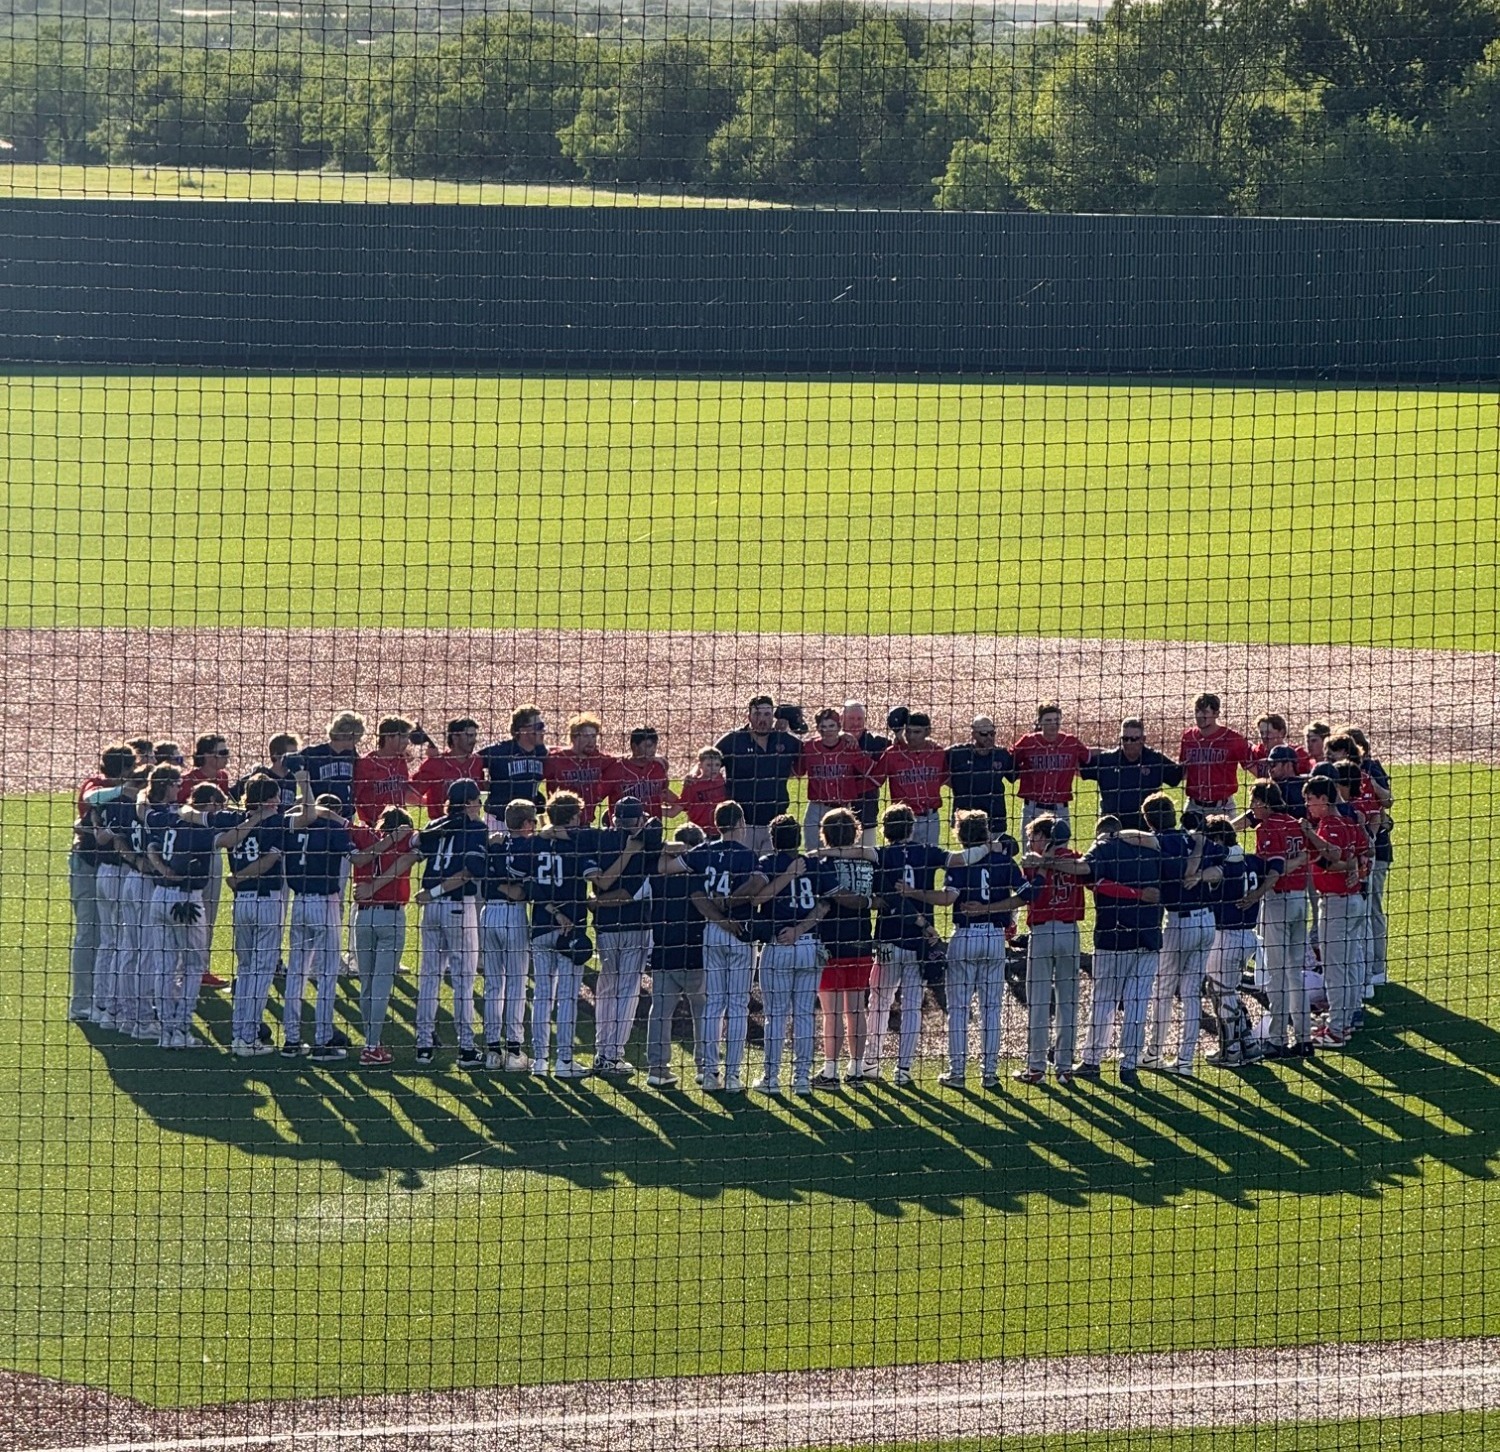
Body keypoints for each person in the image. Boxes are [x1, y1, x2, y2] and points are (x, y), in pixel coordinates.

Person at [1049, 815, 1164, 1086]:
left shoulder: (1103, 846)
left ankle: (1091, 1060)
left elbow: (1081, 868)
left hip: (1114, 938)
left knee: (1104, 1001)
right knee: (1138, 1002)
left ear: (1102, 833)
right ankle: (1129, 1065)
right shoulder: (1152, 849)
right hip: (1149, 937)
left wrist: (1046, 860)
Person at [661, 800, 766, 1092]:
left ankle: (709, 1074)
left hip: (712, 932)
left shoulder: (702, 852)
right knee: (737, 1005)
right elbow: (757, 886)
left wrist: (682, 849)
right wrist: (731, 906)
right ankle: (732, 1076)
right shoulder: (748, 855)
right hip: (741, 933)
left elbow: (664, 866)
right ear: (741, 824)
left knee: (714, 1003)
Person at [940, 811, 1028, 1089]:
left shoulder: (960, 861)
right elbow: (1028, 894)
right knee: (992, 1010)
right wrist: (993, 909)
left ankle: (957, 1073)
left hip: (965, 937)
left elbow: (948, 898)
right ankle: (989, 1074)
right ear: (987, 832)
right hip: (994, 939)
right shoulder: (1005, 860)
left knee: (959, 1008)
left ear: (961, 833)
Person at [405, 779, 489, 1066]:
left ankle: (424, 1046)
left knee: (429, 977)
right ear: (468, 803)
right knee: (464, 981)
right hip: (456, 908)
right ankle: (466, 1049)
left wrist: (432, 830)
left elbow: (414, 843)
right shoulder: (476, 827)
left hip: (431, 912)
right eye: (477, 800)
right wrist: (435, 891)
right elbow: (469, 872)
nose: (480, 805)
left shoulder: (435, 825)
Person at [867, 803, 951, 1085]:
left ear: (885, 829)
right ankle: (903, 1070)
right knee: (912, 1006)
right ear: (912, 827)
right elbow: (959, 859)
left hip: (888, 939)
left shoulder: (880, 855)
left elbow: (884, 897)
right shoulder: (928, 852)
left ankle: (870, 1063)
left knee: (878, 1003)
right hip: (920, 943)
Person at [146, 778, 232, 1050]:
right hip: (186, 900)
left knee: (165, 967)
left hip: (160, 897)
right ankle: (181, 1028)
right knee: (194, 965)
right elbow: (232, 837)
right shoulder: (202, 830)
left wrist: (163, 869)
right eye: (218, 806)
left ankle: (166, 1032)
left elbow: (151, 848)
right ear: (208, 805)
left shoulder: (169, 821)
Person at [1189, 817, 1283, 1067]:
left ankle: (1229, 1051)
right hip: (1248, 937)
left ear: (1218, 839)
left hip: (1225, 937)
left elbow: (1207, 876)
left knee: (1222, 993)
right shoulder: (1252, 861)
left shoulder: (1224, 867)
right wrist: (1257, 894)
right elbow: (1278, 865)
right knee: (1225, 990)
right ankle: (1249, 1045)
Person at [752, 814, 835, 1095]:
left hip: (779, 946)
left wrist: (785, 876)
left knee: (775, 1016)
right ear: (798, 837)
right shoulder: (814, 864)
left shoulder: (767, 864)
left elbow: (757, 899)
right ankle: (801, 1080)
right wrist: (802, 929)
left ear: (773, 839)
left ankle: (771, 1079)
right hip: (810, 946)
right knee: (804, 1016)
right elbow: (825, 904)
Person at [281, 772, 355, 1060]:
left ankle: (291, 1040)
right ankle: (323, 1040)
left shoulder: (291, 827)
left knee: (296, 972)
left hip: (298, 905)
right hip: (324, 905)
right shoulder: (333, 829)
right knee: (327, 974)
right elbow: (357, 857)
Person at [1235, 782, 1313, 1057]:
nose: (1252, 808)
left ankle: (1278, 1039)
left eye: (1254, 802)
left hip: (1278, 902)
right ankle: (1304, 1039)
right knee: (1295, 974)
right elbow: (1303, 858)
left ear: (1265, 803)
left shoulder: (1267, 827)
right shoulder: (1294, 823)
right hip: (1300, 902)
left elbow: (1275, 871)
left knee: (1277, 975)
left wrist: (1255, 895)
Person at [1142, 794, 1218, 1076]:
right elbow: (1221, 865)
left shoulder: (1157, 843)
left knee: (1162, 990)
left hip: (1179, 923)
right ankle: (1185, 1061)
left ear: (1148, 821)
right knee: (1191, 993)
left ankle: (1153, 1053)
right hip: (1208, 922)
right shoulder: (1193, 838)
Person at [528, 791, 602, 1077]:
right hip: (571, 929)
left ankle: (539, 1062)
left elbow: (531, 887)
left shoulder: (536, 844)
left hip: (540, 927)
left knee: (543, 997)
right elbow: (592, 878)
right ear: (572, 818)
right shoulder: (578, 846)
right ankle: (565, 1062)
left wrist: (551, 911)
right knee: (568, 998)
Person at [459, 799, 537, 1073]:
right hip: (513, 916)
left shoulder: (492, 842)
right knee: (516, 984)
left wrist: (493, 881)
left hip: (487, 914)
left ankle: (493, 1050)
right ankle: (514, 1050)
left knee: (493, 984)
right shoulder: (530, 846)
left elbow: (472, 862)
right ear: (527, 824)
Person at [216, 774, 289, 1057]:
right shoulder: (276, 822)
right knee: (261, 970)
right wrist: (241, 876)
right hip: (266, 902)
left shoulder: (235, 821)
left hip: (241, 904)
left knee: (245, 970)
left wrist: (236, 878)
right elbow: (269, 860)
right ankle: (248, 1038)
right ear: (271, 799)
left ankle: (240, 1034)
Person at [588, 797, 661, 1076]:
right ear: (638, 821)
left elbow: (600, 886)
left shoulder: (598, 840)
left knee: (606, 990)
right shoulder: (644, 845)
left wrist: (595, 903)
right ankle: (613, 1056)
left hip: (605, 929)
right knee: (627, 991)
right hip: (634, 928)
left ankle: (601, 1052)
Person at [809, 807, 879, 1087]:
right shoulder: (869, 860)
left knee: (832, 1012)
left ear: (825, 834)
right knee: (857, 1009)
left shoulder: (823, 863)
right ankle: (857, 1068)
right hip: (862, 940)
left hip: (831, 944)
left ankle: (829, 1071)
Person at [347, 806, 419, 1066]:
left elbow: (330, 815)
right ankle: (370, 1046)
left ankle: (371, 1043)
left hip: (363, 916)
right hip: (391, 916)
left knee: (366, 985)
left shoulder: (362, 835)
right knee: (381, 986)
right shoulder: (407, 839)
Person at [69, 743, 136, 1023]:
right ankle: (81, 1003)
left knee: (110, 936)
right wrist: (124, 790)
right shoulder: (95, 784)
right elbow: (92, 798)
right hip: (86, 866)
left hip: (105, 868)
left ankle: (103, 1000)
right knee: (89, 934)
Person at [1016, 815, 1085, 1085]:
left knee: (1039, 1002)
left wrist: (1044, 860)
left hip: (1043, 934)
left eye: (1034, 837)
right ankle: (1065, 1069)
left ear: (1045, 837)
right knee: (1068, 1003)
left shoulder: (1033, 862)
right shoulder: (1075, 858)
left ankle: (1036, 1068)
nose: (1031, 841)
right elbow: (1083, 870)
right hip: (1069, 933)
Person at [1300, 777, 1365, 1048]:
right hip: (1353, 901)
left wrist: (1309, 832)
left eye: (1311, 800)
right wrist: (1355, 868)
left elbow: (1331, 857)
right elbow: (1366, 850)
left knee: (1336, 970)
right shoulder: (1350, 823)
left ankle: (1336, 1030)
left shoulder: (1330, 824)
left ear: (1324, 800)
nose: (1308, 806)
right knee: (1347, 966)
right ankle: (1345, 1022)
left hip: (1337, 904)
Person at [644, 823, 710, 1089]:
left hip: (663, 952)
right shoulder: (701, 875)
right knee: (703, 1012)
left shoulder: (659, 875)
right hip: (695, 953)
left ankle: (657, 1069)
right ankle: (706, 1067)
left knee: (660, 1012)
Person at [715, 696, 801, 855]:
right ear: (749, 717)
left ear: (773, 717)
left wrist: (845, 737)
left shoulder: (786, 741)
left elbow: (813, 752)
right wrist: (694, 774)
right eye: (757, 714)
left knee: (772, 875)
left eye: (767, 715)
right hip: (742, 826)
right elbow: (708, 760)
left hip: (775, 825)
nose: (762, 719)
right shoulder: (733, 741)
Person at [1081, 719, 1182, 831]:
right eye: (1125, 739)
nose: (1128, 743)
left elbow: (1176, 777)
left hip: (1145, 830)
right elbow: (1079, 768)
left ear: (1143, 740)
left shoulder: (1156, 760)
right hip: (1113, 831)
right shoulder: (1107, 761)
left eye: (1134, 739)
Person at [798, 708, 875, 852]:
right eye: (823, 727)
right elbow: (797, 771)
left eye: (831, 726)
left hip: (843, 811)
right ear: (818, 728)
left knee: (843, 854)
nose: (827, 730)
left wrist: (854, 789)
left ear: (839, 726)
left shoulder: (850, 746)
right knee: (813, 853)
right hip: (817, 809)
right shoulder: (809, 748)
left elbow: (873, 772)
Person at [1011, 702, 1091, 835]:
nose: (1053, 724)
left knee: (1060, 854)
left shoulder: (1071, 742)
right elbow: (1008, 758)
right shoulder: (1027, 742)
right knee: (1031, 854)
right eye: (1048, 720)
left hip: (1060, 810)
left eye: (1056, 720)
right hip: (1032, 809)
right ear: (1039, 722)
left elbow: (1089, 757)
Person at [869, 712, 948, 847]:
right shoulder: (892, 754)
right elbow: (874, 781)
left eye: (917, 732)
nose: (911, 737)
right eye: (908, 732)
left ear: (928, 732)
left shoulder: (938, 753)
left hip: (931, 819)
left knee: (929, 863)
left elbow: (946, 780)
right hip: (903, 821)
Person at [1179, 693, 1254, 814]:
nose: (1199, 715)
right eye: (1197, 711)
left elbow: (1253, 768)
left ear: (1216, 714)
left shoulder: (1233, 739)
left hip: (1223, 807)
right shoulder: (1188, 737)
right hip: (1194, 807)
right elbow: (1183, 772)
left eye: (1204, 712)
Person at [945, 716, 1015, 841]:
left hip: (995, 820)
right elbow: (934, 764)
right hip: (967, 822)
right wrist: (954, 784)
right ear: (974, 734)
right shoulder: (957, 754)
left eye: (992, 733)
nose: (989, 737)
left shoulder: (1002, 754)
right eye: (984, 734)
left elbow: (1015, 775)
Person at [544, 714, 617, 827]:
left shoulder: (598, 759)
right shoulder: (556, 759)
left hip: (586, 825)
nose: (591, 741)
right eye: (586, 736)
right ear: (573, 737)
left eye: (593, 736)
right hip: (561, 825)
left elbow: (624, 760)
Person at [479, 705, 549, 822]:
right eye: (538, 726)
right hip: (498, 821)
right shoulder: (501, 751)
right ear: (522, 730)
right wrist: (482, 783)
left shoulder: (541, 752)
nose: (543, 731)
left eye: (543, 726)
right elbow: (472, 761)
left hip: (526, 821)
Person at [410, 718, 486, 820]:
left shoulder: (477, 761)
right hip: (442, 827)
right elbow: (412, 792)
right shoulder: (435, 764)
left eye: (475, 736)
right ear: (455, 738)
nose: (474, 740)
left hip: (471, 825)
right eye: (469, 735)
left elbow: (481, 788)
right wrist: (429, 803)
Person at [353, 716, 421, 826]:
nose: (407, 742)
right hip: (374, 827)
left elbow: (403, 791)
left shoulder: (400, 761)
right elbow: (355, 797)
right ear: (389, 737)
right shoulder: (366, 764)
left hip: (401, 824)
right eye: (403, 737)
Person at [842, 700, 891, 848]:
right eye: (851, 718)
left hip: (867, 814)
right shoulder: (833, 741)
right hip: (834, 816)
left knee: (867, 861)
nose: (855, 723)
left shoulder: (878, 743)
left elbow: (877, 779)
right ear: (841, 718)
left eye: (859, 719)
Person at [603, 728, 678, 822]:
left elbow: (664, 793)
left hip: (653, 830)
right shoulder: (616, 769)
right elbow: (596, 797)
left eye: (655, 746)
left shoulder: (658, 767)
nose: (653, 750)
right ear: (634, 747)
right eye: (648, 746)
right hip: (623, 832)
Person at [677, 747, 727, 835]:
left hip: (720, 832)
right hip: (699, 834)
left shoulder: (720, 779)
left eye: (717, 765)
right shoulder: (692, 785)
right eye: (709, 765)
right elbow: (674, 811)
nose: (714, 769)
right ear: (700, 765)